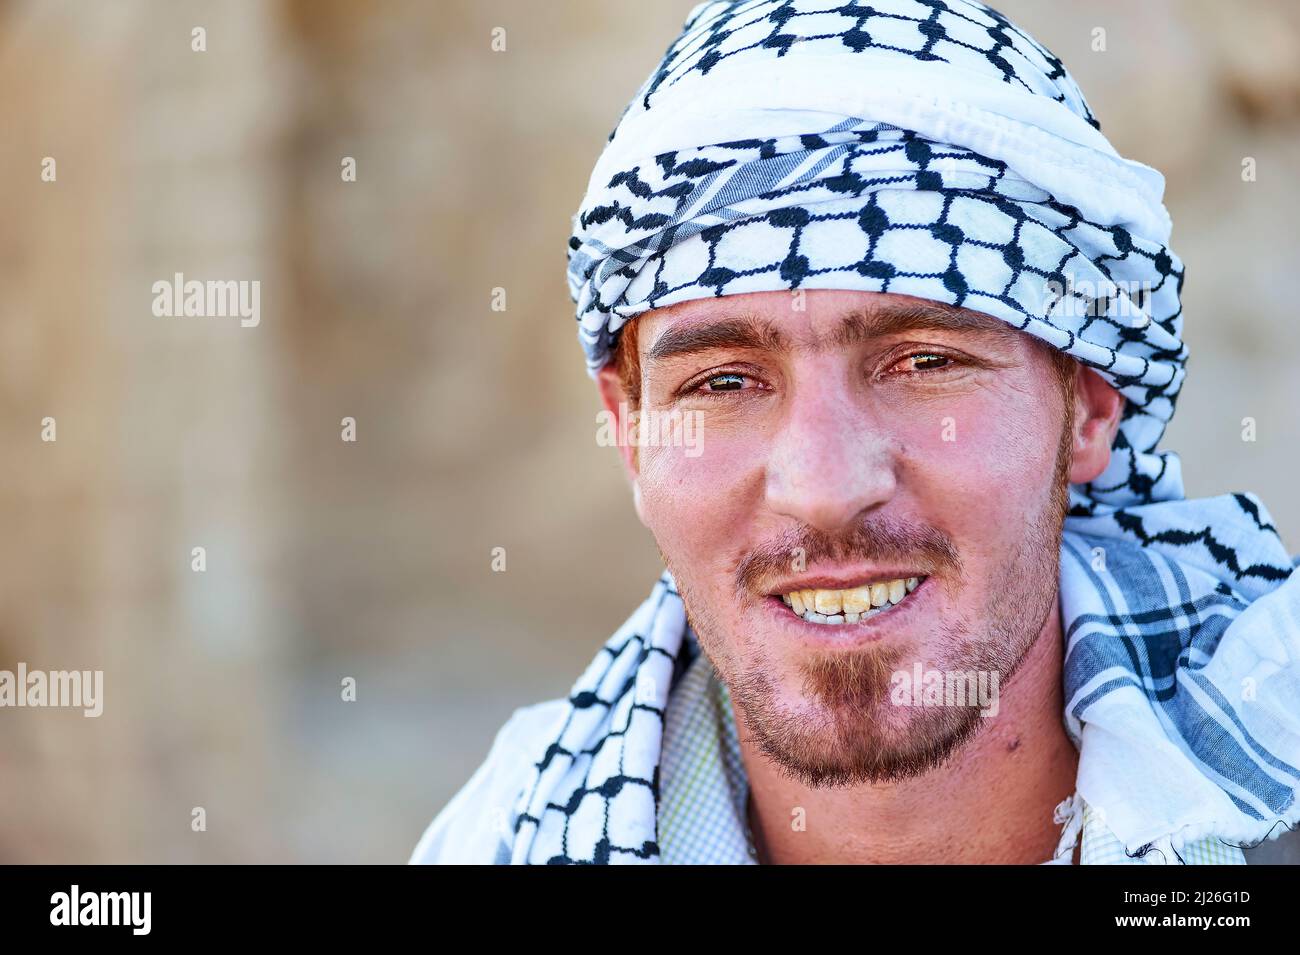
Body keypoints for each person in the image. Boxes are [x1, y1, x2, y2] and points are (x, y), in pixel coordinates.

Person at [412, 0, 1300, 865]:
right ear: (633, 432)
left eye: (923, 362)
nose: (825, 487)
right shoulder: (506, 832)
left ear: (1091, 408)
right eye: (724, 381)